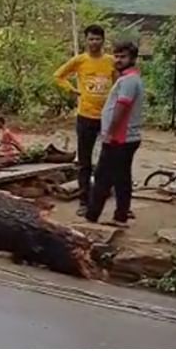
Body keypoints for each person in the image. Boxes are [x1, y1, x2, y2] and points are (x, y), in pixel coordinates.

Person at [53, 24, 115, 217]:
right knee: (84, 162)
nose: (94, 42)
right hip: (85, 117)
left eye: (97, 39)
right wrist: (72, 90)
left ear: (103, 40)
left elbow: (120, 82)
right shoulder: (79, 60)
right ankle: (83, 200)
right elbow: (58, 76)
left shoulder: (111, 61)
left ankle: (101, 197)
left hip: (108, 118)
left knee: (107, 160)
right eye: (90, 39)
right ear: (86, 41)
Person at [85, 41, 144, 228]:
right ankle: (120, 216)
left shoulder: (128, 81)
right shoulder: (129, 78)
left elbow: (122, 106)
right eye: (116, 56)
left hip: (120, 137)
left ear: (132, 58)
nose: (118, 60)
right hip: (126, 137)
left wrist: (109, 133)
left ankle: (92, 216)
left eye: (123, 57)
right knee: (121, 178)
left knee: (102, 177)